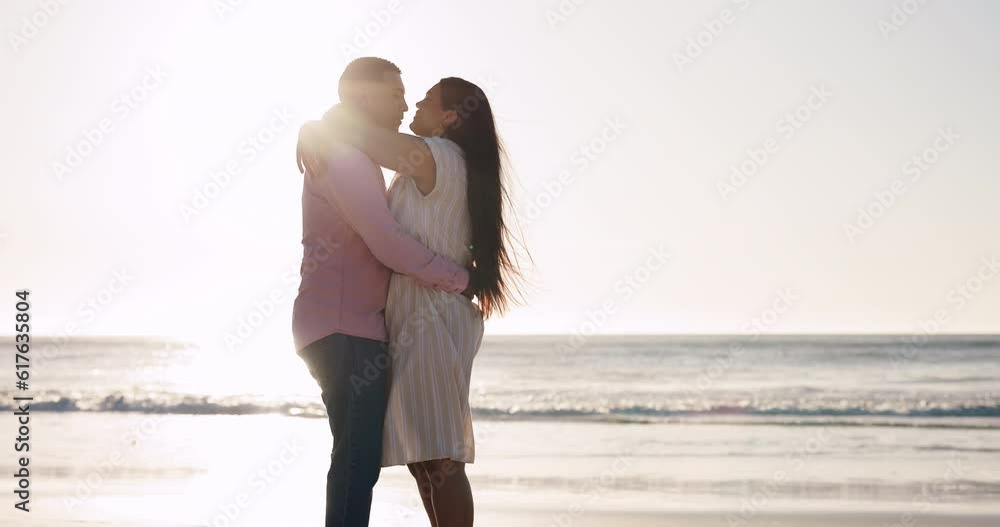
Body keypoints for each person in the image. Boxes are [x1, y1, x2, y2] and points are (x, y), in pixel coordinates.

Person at [299, 75, 522, 527]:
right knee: (425, 458)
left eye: (426, 100)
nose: (414, 105)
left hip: (431, 316)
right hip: (417, 317)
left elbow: (365, 137)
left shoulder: (437, 156)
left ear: (450, 117)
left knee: (440, 457)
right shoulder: (434, 162)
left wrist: (318, 126)